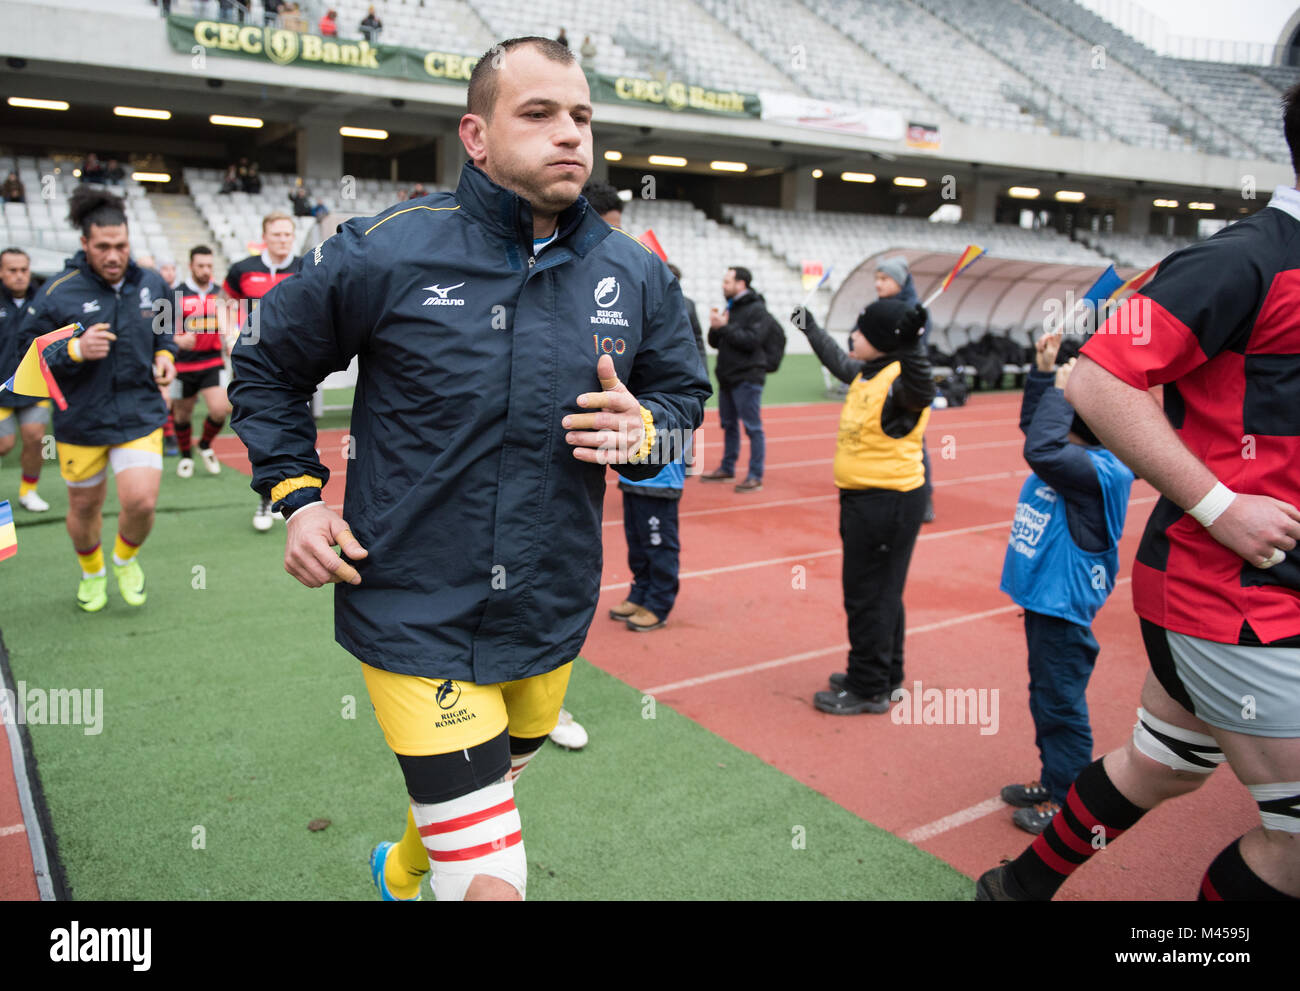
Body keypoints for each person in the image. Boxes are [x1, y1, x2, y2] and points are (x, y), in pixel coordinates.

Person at [228, 35, 710, 902]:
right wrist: (297, 498)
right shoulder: (384, 250)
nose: (570, 133)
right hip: (411, 610)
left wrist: (650, 432)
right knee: (491, 879)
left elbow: (684, 407)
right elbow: (263, 363)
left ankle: (399, 870)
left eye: (582, 116)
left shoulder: (636, 273)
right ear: (476, 136)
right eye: (539, 114)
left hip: (550, 604)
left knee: (492, 775)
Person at [977, 85, 1300, 902]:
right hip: (1239, 596)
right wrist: (1224, 507)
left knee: (1159, 764)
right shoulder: (1249, 257)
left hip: (1246, 594)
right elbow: (1099, 378)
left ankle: (1013, 890)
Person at [997, 331, 1134, 834]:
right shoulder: (1072, 453)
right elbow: (1038, 432)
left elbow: (1042, 448)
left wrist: (1061, 388)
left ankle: (1069, 798)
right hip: (1046, 598)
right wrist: (1044, 373)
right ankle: (1053, 778)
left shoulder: (1099, 470)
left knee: (1059, 701)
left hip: (1064, 604)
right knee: (1045, 694)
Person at [14, 186, 175, 611]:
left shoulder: (152, 281)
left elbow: (165, 328)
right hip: (81, 421)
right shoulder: (57, 292)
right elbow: (23, 355)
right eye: (103, 246)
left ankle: (124, 559)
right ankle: (92, 572)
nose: (113, 255)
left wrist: (165, 354)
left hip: (140, 412)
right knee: (85, 507)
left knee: (141, 501)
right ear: (85, 244)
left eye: (121, 245)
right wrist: (73, 351)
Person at [792, 298, 932, 714]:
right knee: (884, 592)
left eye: (862, 330)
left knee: (868, 595)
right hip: (870, 500)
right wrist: (810, 327)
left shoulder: (902, 380)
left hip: (885, 502)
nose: (853, 335)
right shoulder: (870, 372)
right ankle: (886, 676)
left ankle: (867, 685)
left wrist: (912, 344)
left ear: (886, 342)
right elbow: (839, 360)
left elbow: (923, 388)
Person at [222, 211, 301, 532]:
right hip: (253, 360)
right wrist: (231, 335)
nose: (283, 240)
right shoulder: (243, 269)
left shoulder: (306, 266)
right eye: (277, 234)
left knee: (294, 428)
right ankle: (267, 497)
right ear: (264, 236)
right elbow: (224, 302)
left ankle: (295, 498)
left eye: (287, 234)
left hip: (295, 362)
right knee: (262, 429)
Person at [702, 265, 778, 493]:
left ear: (741, 284)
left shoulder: (757, 309)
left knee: (753, 428)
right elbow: (716, 342)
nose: (723, 286)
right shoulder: (731, 306)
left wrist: (725, 327)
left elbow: (752, 340)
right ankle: (727, 467)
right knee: (729, 426)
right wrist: (716, 328)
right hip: (728, 376)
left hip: (747, 376)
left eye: (727, 282)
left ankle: (755, 475)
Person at [875, 255, 935, 522]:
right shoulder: (877, 308)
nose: (878, 284)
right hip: (879, 384)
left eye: (884, 279)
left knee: (913, 442)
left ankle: (923, 497)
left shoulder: (917, 311)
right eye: (876, 279)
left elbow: (916, 349)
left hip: (905, 385)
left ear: (899, 281)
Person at [171, 246, 230, 480]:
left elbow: (230, 323)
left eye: (209, 266)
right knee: (181, 416)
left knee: (220, 410)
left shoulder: (221, 294)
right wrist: (177, 339)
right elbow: (162, 332)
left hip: (212, 362)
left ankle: (204, 444)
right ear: (191, 266)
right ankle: (186, 456)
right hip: (182, 366)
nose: (206, 270)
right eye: (201, 266)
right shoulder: (175, 294)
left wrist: (230, 339)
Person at [0, 248, 51, 512]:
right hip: (1, 389)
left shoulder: (44, 299)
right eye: (12, 270)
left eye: (24, 270)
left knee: (36, 438)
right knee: (4, 445)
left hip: (34, 386)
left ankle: (28, 491)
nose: (19, 276)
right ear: (1, 272)